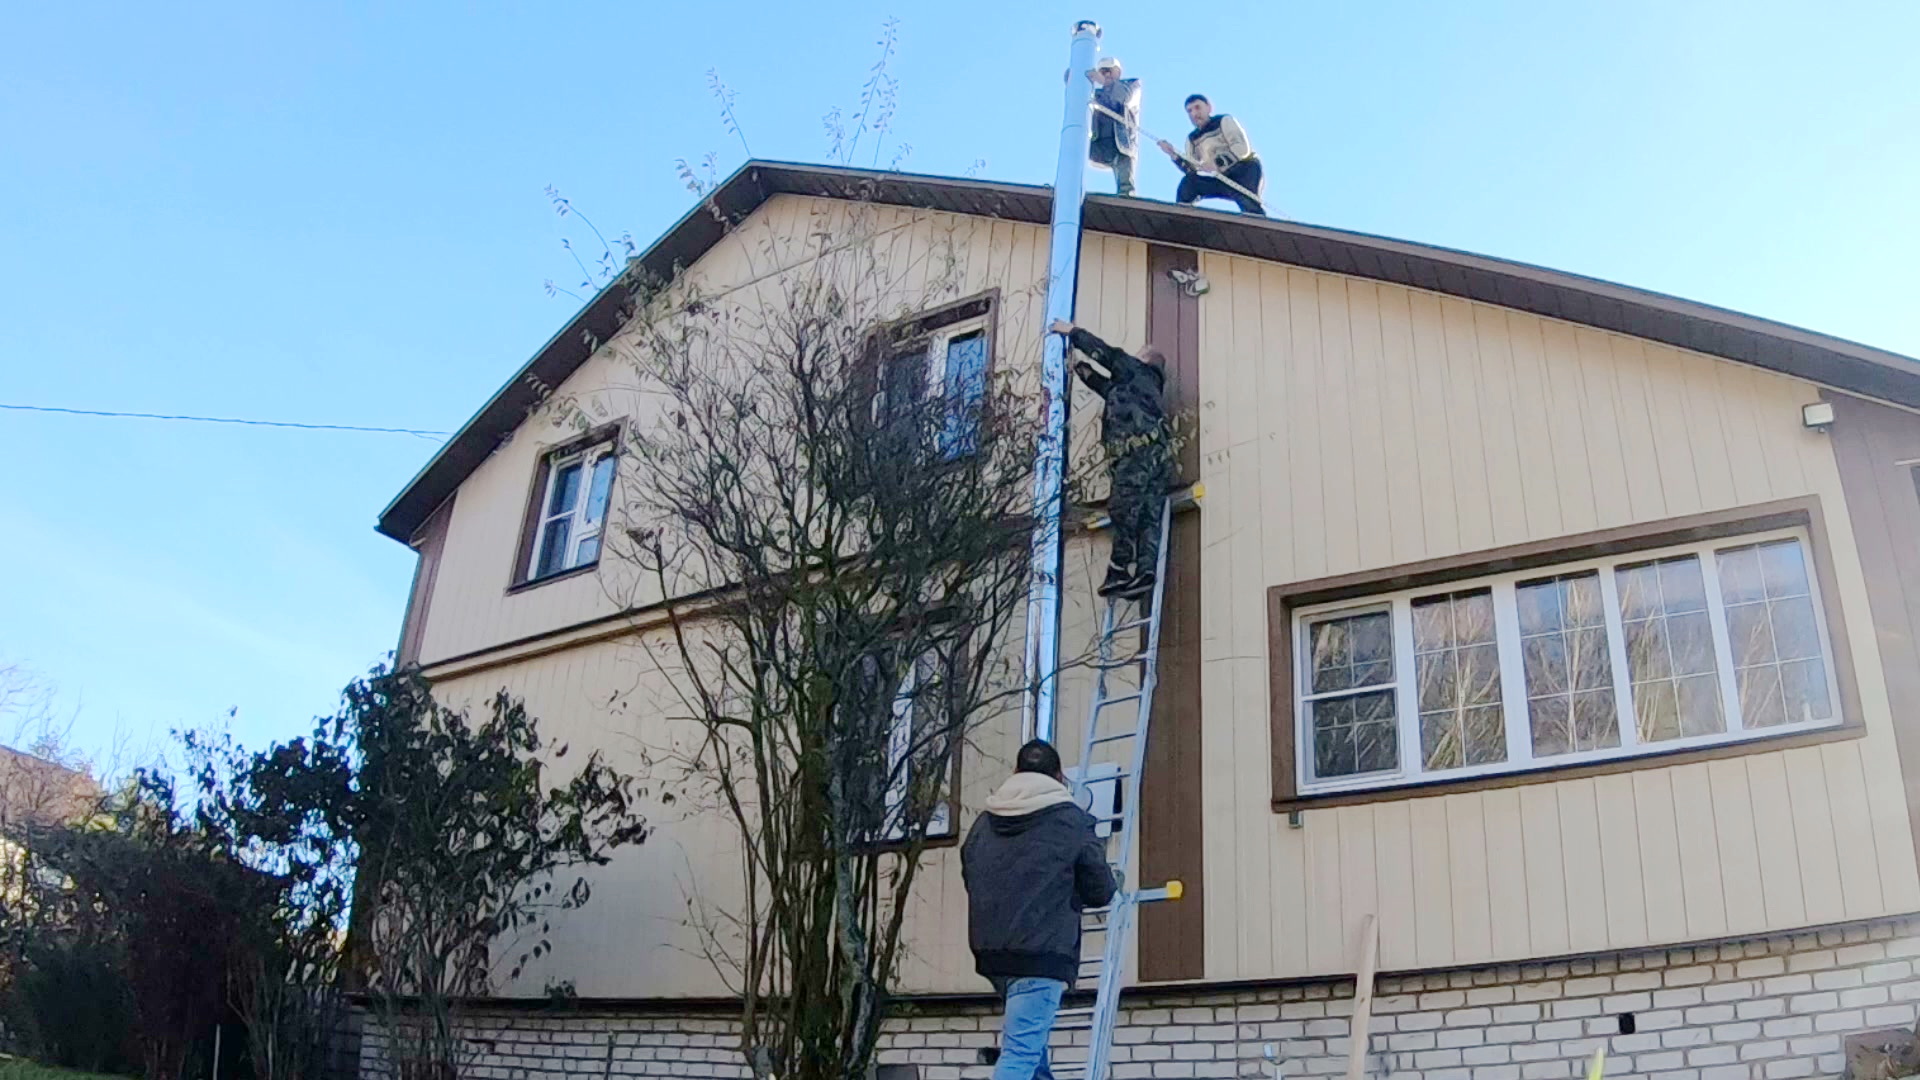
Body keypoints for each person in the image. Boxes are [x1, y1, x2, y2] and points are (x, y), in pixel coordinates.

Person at [962, 740, 1118, 1080]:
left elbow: (969, 872)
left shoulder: (984, 823)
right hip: (1041, 953)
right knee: (1020, 1055)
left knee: (1033, 1054)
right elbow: (1100, 889)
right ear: (1059, 777)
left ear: (1016, 773)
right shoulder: (1070, 821)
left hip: (993, 954)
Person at [1050, 317, 1171, 600]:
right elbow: (1108, 388)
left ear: (1145, 359)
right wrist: (1081, 370)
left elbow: (1108, 354)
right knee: (1147, 516)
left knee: (1124, 507)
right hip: (1158, 456)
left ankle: (1118, 570)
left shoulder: (1135, 370)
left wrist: (1072, 333)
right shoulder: (1145, 388)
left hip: (1134, 452)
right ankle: (1144, 571)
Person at [1157, 94, 1265, 216]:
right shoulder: (1192, 139)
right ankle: (1182, 217)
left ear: (1209, 107)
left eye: (1197, 107)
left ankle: (1257, 220)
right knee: (1189, 183)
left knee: (1247, 201)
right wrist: (1173, 155)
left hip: (1244, 170)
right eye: (1189, 111)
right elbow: (1192, 168)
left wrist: (1217, 163)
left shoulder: (1224, 121)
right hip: (1221, 177)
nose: (1194, 114)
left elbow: (1242, 149)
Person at [1087, 56, 1142, 197]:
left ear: (1118, 72)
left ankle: (1127, 200)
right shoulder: (1097, 94)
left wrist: (1103, 82)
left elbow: (1122, 97)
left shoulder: (1131, 85)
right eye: (1103, 71)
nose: (1106, 74)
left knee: (1125, 180)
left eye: (1109, 71)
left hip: (1122, 141)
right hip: (1101, 142)